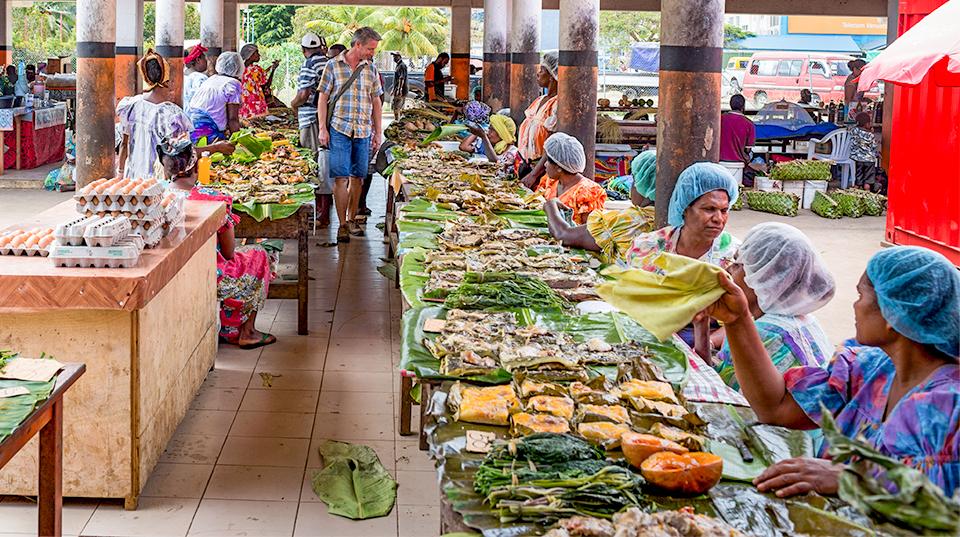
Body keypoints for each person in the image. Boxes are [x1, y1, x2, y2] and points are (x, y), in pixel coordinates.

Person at [703, 245, 959, 497]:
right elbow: (776, 407)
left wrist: (855, 479)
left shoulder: (949, 404)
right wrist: (738, 318)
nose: (855, 306)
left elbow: (943, 502)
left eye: (861, 296)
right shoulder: (867, 369)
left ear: (893, 314)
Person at [158, 136, 277, 350]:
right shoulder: (212, 198)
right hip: (209, 275)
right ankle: (247, 331)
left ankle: (227, 326)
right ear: (196, 165)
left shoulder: (156, 196)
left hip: (169, 272)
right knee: (261, 254)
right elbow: (230, 252)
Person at [625, 162, 740, 356]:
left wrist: (706, 343)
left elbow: (743, 319)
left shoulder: (733, 257)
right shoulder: (648, 247)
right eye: (709, 209)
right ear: (685, 208)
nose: (718, 219)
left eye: (724, 210)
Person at [714, 223, 836, 391]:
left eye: (738, 264)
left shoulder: (762, 332)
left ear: (763, 276)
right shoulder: (805, 320)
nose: (728, 270)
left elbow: (724, 390)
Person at [317, 27, 384, 244]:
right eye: (370, 48)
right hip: (339, 129)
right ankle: (342, 225)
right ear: (357, 45)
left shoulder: (371, 69)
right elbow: (322, 98)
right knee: (340, 177)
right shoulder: (333, 65)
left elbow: (376, 101)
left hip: (363, 130)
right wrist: (322, 128)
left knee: (358, 177)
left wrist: (378, 131)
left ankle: (352, 219)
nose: (372, 53)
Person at [545, 149, 656, 264]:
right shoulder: (668, 219)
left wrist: (550, 206)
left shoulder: (630, 221)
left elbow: (563, 235)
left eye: (634, 180)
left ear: (643, 184)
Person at [116, 51, 192, 180]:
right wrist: (215, 148)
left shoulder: (131, 105)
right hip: (158, 181)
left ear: (145, 78)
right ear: (167, 79)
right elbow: (180, 155)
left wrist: (120, 174)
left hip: (133, 177)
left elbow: (124, 144)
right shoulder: (172, 115)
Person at [290, 32, 334, 228]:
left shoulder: (309, 65)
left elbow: (303, 94)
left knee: (315, 164)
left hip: (311, 119)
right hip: (328, 118)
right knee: (325, 162)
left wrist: (293, 105)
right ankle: (325, 211)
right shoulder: (329, 62)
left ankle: (320, 214)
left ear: (303, 49)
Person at [537, 133, 607, 226]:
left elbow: (590, 230)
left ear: (559, 167)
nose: (545, 164)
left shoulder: (588, 192)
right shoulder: (549, 181)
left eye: (548, 161)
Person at [518, 51, 560, 189]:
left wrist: (534, 175)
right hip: (526, 165)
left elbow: (551, 144)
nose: (538, 73)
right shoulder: (539, 100)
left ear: (552, 76)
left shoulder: (556, 104)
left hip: (541, 171)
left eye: (542, 70)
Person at [188, 52, 243, 143]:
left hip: (192, 127)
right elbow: (233, 120)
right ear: (239, 68)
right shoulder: (232, 83)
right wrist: (239, 142)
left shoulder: (211, 79)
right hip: (209, 130)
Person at [719, 94, 757, 186]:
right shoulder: (749, 124)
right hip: (738, 163)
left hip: (720, 160)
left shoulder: (720, 119)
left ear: (730, 105)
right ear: (743, 107)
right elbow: (748, 149)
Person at [239, 44, 279, 119]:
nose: (259, 55)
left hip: (243, 103)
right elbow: (266, 86)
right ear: (250, 55)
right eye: (257, 53)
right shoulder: (255, 70)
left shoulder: (238, 69)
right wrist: (273, 70)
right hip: (256, 104)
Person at [850, 112, 879, 192]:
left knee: (859, 174)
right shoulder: (870, 135)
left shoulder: (854, 131)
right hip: (869, 160)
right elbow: (873, 146)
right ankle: (867, 190)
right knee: (868, 176)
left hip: (858, 158)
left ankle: (856, 188)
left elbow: (851, 133)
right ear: (867, 124)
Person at [182, 44, 209, 113]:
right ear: (198, 60)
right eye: (205, 58)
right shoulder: (201, 79)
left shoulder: (182, 77)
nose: (207, 61)